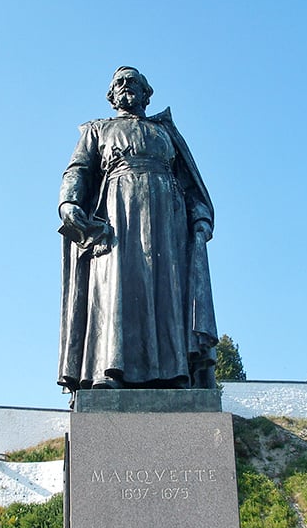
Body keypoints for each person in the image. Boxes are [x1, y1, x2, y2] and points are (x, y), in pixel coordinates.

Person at [58, 66, 218, 392]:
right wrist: (69, 202)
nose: (126, 85)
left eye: (133, 81)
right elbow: (77, 170)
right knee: (116, 288)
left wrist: (199, 217)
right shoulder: (97, 130)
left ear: (147, 93)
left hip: (167, 222)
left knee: (167, 289)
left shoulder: (166, 133)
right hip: (117, 218)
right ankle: (109, 370)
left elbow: (191, 184)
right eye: (119, 82)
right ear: (111, 95)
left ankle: (174, 373)